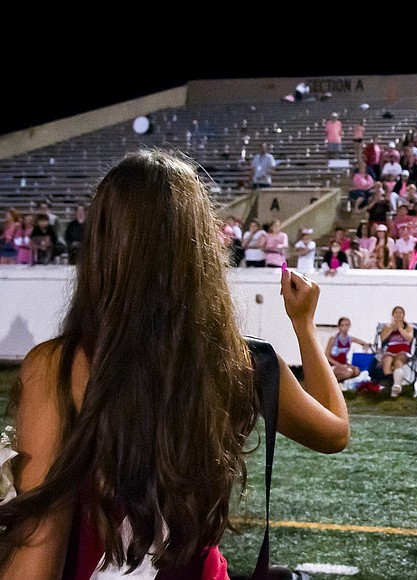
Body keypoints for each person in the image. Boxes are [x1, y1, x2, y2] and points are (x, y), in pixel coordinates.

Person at [0, 148, 349, 578]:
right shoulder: (242, 362)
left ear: (101, 245)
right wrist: (305, 328)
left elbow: (36, 558)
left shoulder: (58, 367)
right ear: (200, 249)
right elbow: (335, 431)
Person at [378, 306, 413, 398]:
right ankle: (393, 384)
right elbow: (382, 338)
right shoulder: (387, 327)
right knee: (387, 361)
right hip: (390, 352)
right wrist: (391, 329)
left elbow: (409, 338)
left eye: (400, 312)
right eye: (396, 313)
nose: (398, 314)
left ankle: (395, 388)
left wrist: (400, 328)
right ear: (393, 315)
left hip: (402, 352)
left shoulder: (408, 327)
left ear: (403, 315)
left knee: (398, 362)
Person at [325, 316, 372, 382]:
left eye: (347, 325)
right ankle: (332, 382)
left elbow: (361, 342)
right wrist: (338, 365)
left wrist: (366, 345)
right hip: (333, 365)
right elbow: (327, 355)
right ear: (339, 327)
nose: (345, 328)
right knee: (348, 373)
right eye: (342, 325)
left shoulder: (349, 339)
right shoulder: (333, 339)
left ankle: (345, 382)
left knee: (356, 370)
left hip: (344, 364)